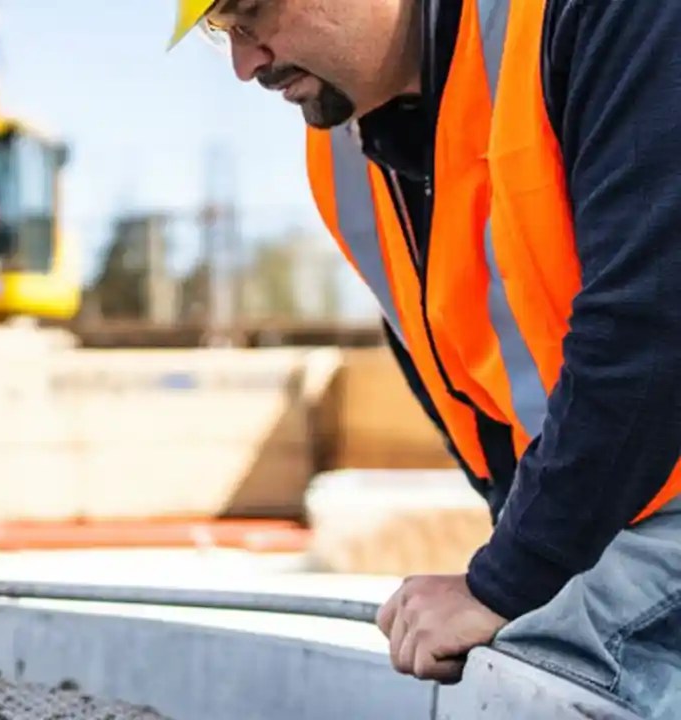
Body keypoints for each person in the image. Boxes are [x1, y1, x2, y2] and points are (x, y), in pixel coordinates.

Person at [167, 0, 681, 716]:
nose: (247, 63)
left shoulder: (606, 18)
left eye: (253, 14)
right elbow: (453, 364)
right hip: (628, 497)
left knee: (557, 675)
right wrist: (515, 557)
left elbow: (652, 327)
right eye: (225, 33)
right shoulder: (350, 146)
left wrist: (507, 581)